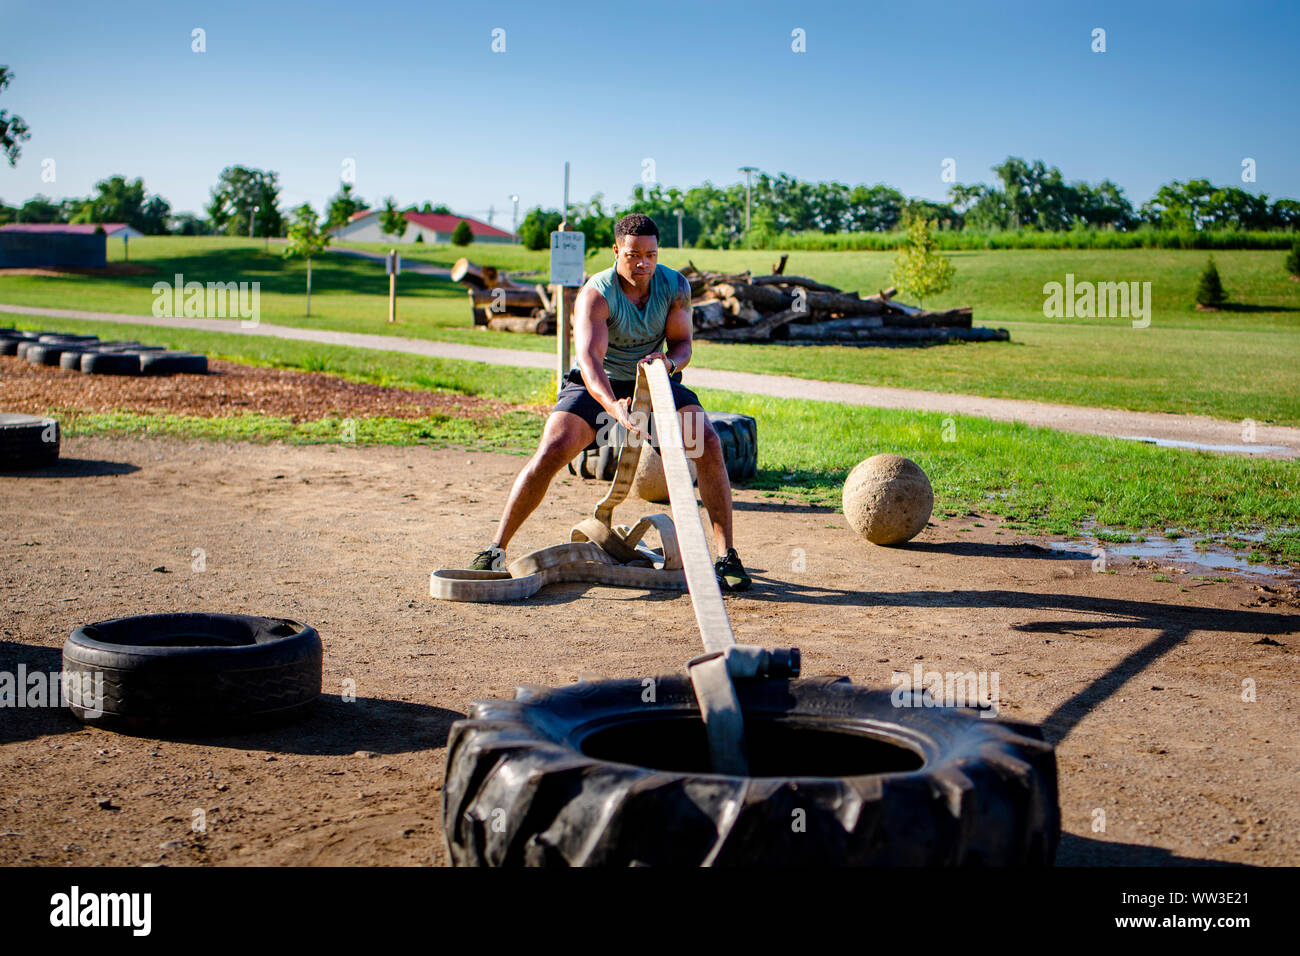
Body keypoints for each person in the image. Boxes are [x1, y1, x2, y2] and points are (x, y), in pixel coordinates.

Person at [467, 212, 751, 591]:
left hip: (653, 379)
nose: (643, 263)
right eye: (634, 254)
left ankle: (726, 556)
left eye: (651, 254)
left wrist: (668, 363)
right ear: (617, 251)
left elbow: (683, 346)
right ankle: (495, 549)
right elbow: (589, 362)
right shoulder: (596, 294)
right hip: (595, 383)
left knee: (709, 443)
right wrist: (614, 406)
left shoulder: (676, 286)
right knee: (552, 449)